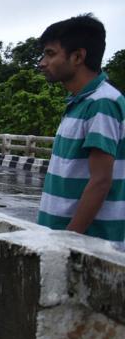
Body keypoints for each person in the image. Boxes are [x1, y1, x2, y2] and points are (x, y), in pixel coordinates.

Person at [37, 14, 124, 247]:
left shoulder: (102, 103)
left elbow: (100, 181)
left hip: (88, 249)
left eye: (50, 54)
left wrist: (68, 241)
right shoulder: (79, 102)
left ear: (78, 56)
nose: (42, 63)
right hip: (62, 242)